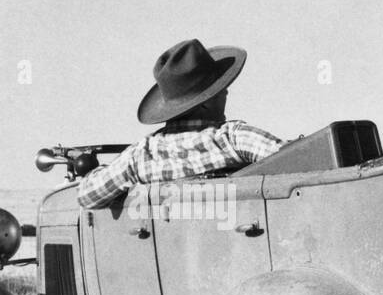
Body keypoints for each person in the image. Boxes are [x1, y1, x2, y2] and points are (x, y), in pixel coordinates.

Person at [76, 38, 283, 210]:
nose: (226, 94)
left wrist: (94, 171)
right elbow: (295, 157)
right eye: (222, 91)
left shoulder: (141, 156)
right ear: (206, 102)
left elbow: (87, 196)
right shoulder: (233, 138)